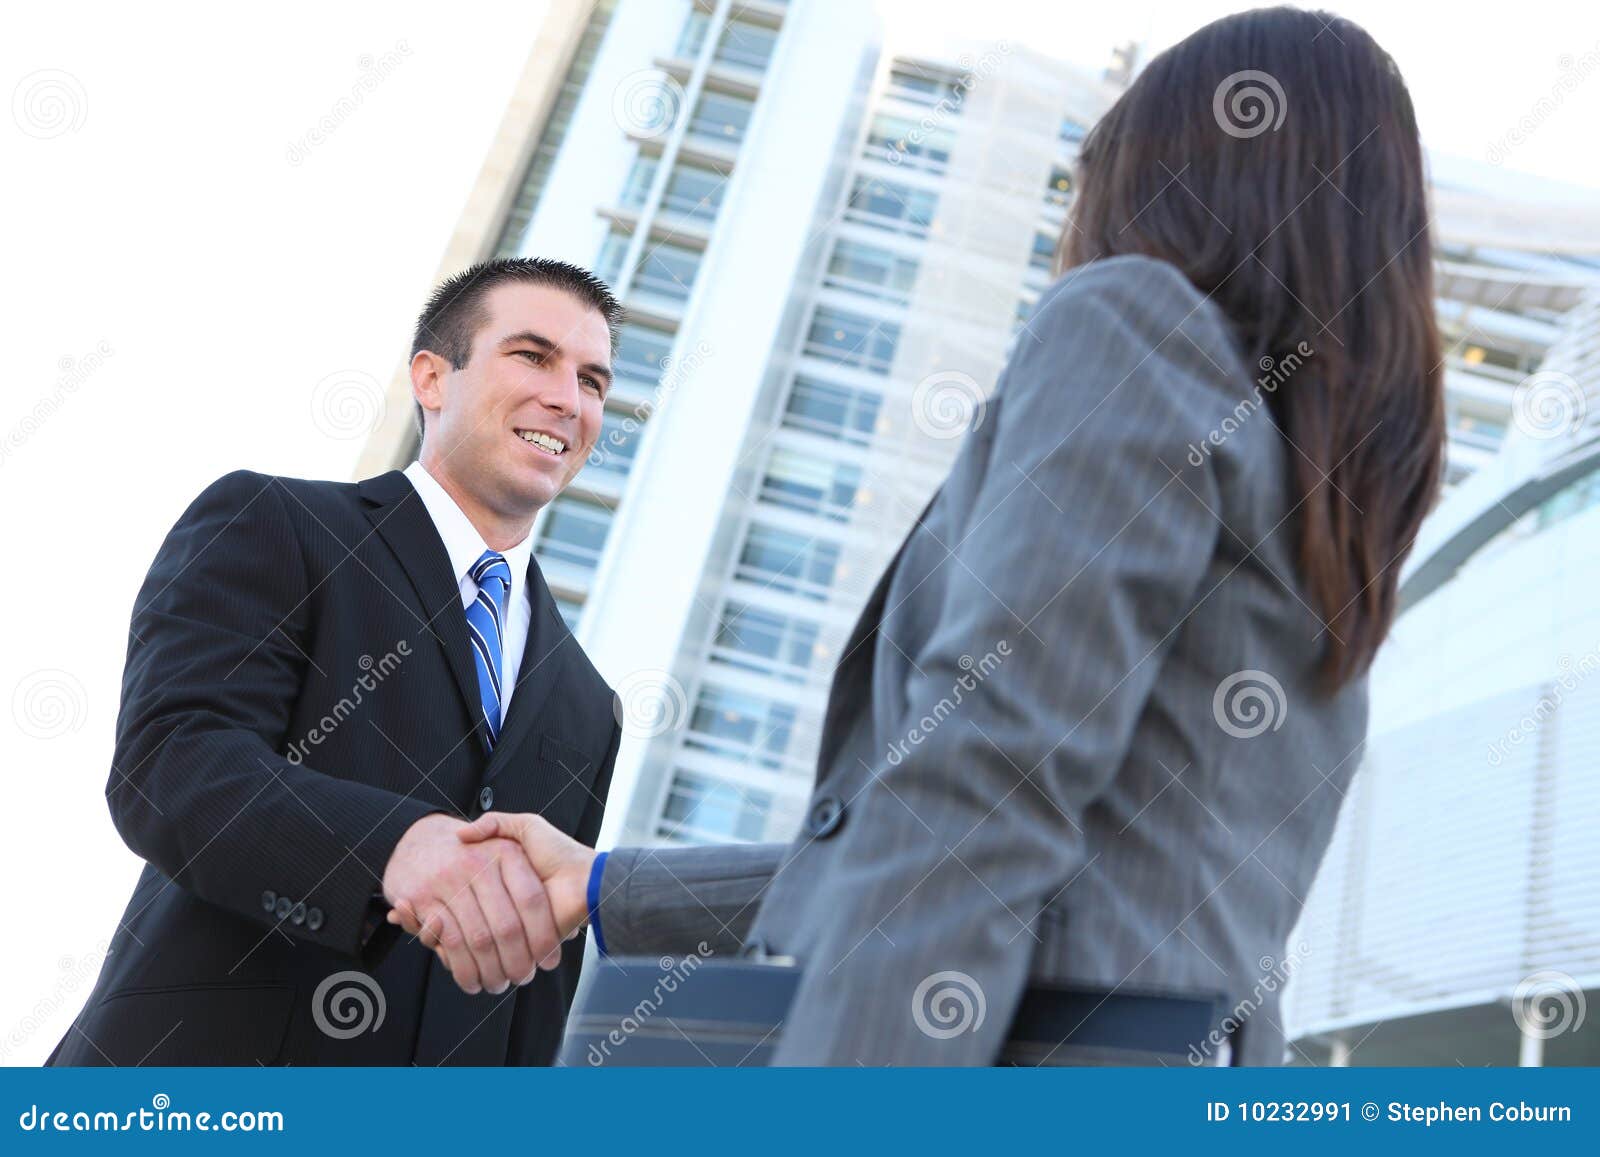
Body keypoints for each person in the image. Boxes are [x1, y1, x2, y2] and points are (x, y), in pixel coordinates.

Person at [423, 8, 1446, 1065]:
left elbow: (987, 781)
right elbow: (1061, 864)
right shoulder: (1325, 528)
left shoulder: (1132, 322)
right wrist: (597, 883)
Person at [50, 258, 624, 1066]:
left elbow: (539, 976)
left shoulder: (587, 704)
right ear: (431, 376)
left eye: (593, 380)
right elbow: (171, 765)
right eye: (532, 356)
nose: (568, 398)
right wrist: (390, 846)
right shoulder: (275, 521)